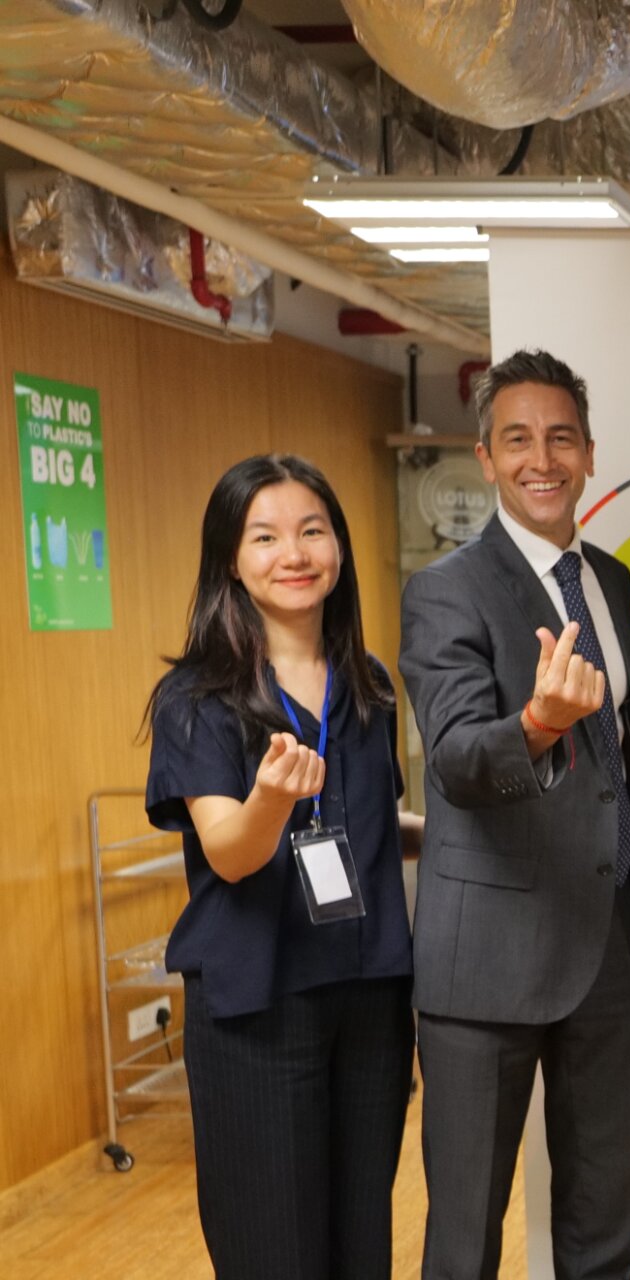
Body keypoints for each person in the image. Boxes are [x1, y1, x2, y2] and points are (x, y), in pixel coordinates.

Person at [400, 349, 630, 1280]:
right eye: (518, 439)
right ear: (485, 456)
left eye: (560, 437)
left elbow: (620, 763)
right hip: (488, 964)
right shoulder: (446, 590)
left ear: (589, 452)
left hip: (611, 949)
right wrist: (540, 724)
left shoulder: (612, 583)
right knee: (466, 1236)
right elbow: (462, 759)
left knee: (604, 1227)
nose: (540, 458)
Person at [144, 454, 415, 1278]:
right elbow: (228, 852)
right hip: (259, 1006)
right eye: (264, 536)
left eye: (312, 531)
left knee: (361, 1245)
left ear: (338, 548)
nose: (293, 553)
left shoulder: (370, 685)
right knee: (277, 1252)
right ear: (231, 557)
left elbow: (374, 824)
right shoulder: (197, 698)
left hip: (369, 999)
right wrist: (269, 800)